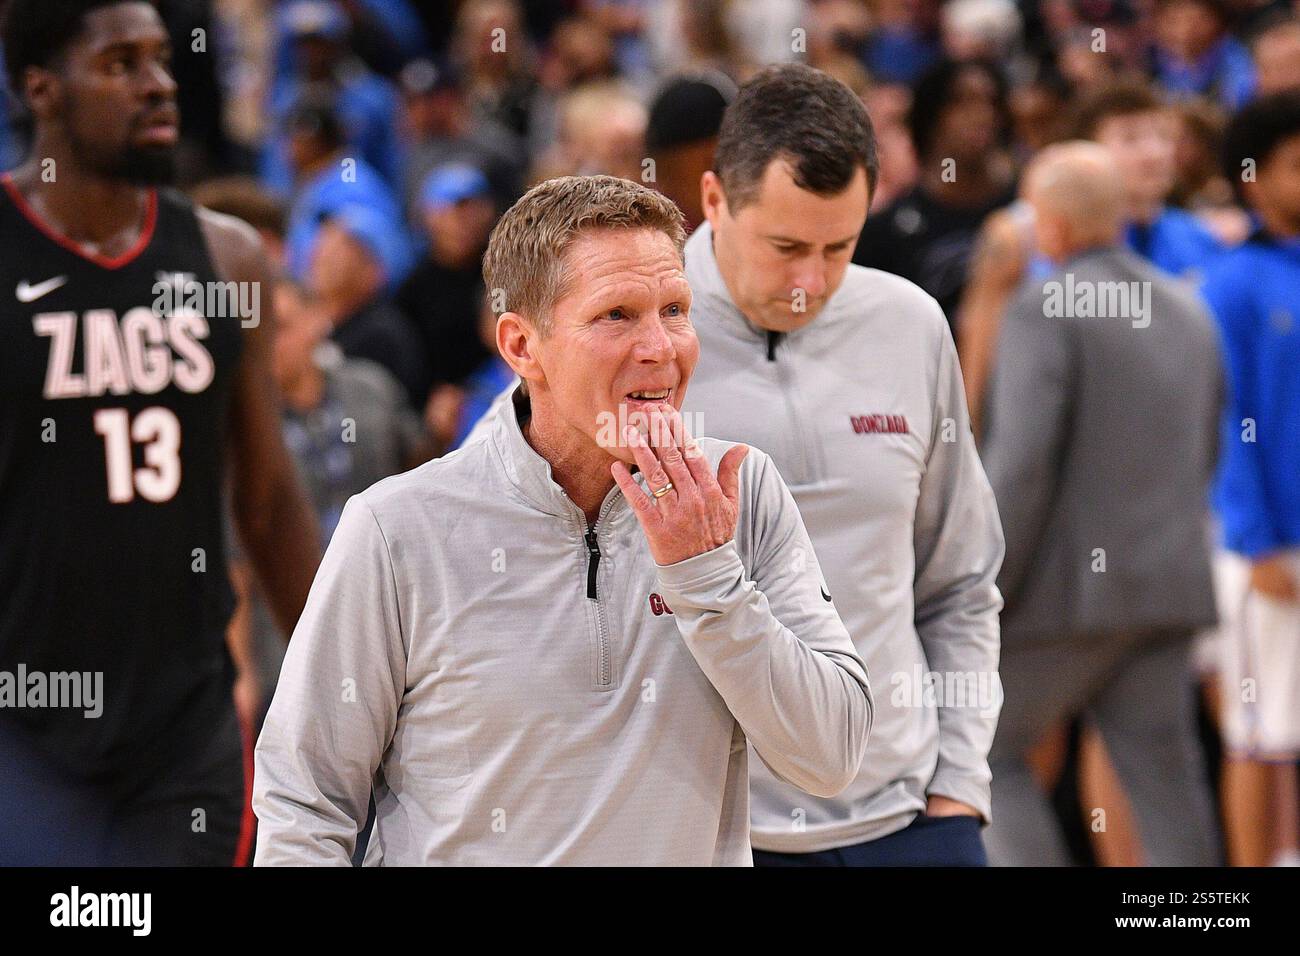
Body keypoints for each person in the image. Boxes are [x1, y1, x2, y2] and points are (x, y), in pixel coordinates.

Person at [253, 174, 872, 866]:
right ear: (521, 347)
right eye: (617, 315)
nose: (661, 348)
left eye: (675, 309)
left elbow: (833, 757)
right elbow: (305, 801)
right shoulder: (398, 529)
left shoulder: (740, 494)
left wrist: (709, 581)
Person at [0, 0, 319, 865]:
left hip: (181, 734)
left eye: (161, 60)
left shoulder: (224, 260)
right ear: (42, 90)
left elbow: (267, 500)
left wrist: (354, 681)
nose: (159, 85)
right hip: (24, 736)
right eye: (120, 64)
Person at [682, 63, 1004, 866]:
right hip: (712, 831)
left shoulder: (910, 325)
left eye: (839, 247)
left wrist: (960, 781)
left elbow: (960, 579)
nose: (808, 282)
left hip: (910, 819)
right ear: (715, 199)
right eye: (786, 246)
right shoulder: (634, 335)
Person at [980, 141, 1224, 866]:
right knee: (1167, 779)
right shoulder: (1187, 305)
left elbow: (1020, 467)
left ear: (1049, 222)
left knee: (982, 753)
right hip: (1169, 586)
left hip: (1072, 599)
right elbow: (1206, 450)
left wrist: (985, 585)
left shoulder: (1042, 307)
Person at [1201, 90, 1300, 866]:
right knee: (1262, 735)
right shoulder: (1231, 283)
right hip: (1270, 547)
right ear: (1252, 179)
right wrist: (1254, 540)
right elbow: (1226, 418)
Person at [853, 57, 1017, 327]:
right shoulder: (883, 233)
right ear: (930, 116)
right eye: (961, 102)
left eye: (991, 102)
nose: (982, 115)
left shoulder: (1024, 213)